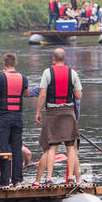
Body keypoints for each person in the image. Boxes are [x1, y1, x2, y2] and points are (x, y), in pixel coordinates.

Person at [36, 49, 82, 184]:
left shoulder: (47, 72)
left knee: (51, 147)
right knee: (71, 147)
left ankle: (48, 178)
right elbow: (78, 95)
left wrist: (38, 111)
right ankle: (71, 178)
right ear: (65, 58)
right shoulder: (72, 73)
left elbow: (42, 94)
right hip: (68, 113)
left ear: (53, 58)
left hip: (53, 113)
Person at [0, 53, 30, 186]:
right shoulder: (23, 77)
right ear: (16, 63)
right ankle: (18, 180)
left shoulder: (0, 77)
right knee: (17, 148)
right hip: (17, 116)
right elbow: (26, 93)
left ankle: (5, 181)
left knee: (3, 149)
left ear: (4, 64)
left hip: (3, 117)